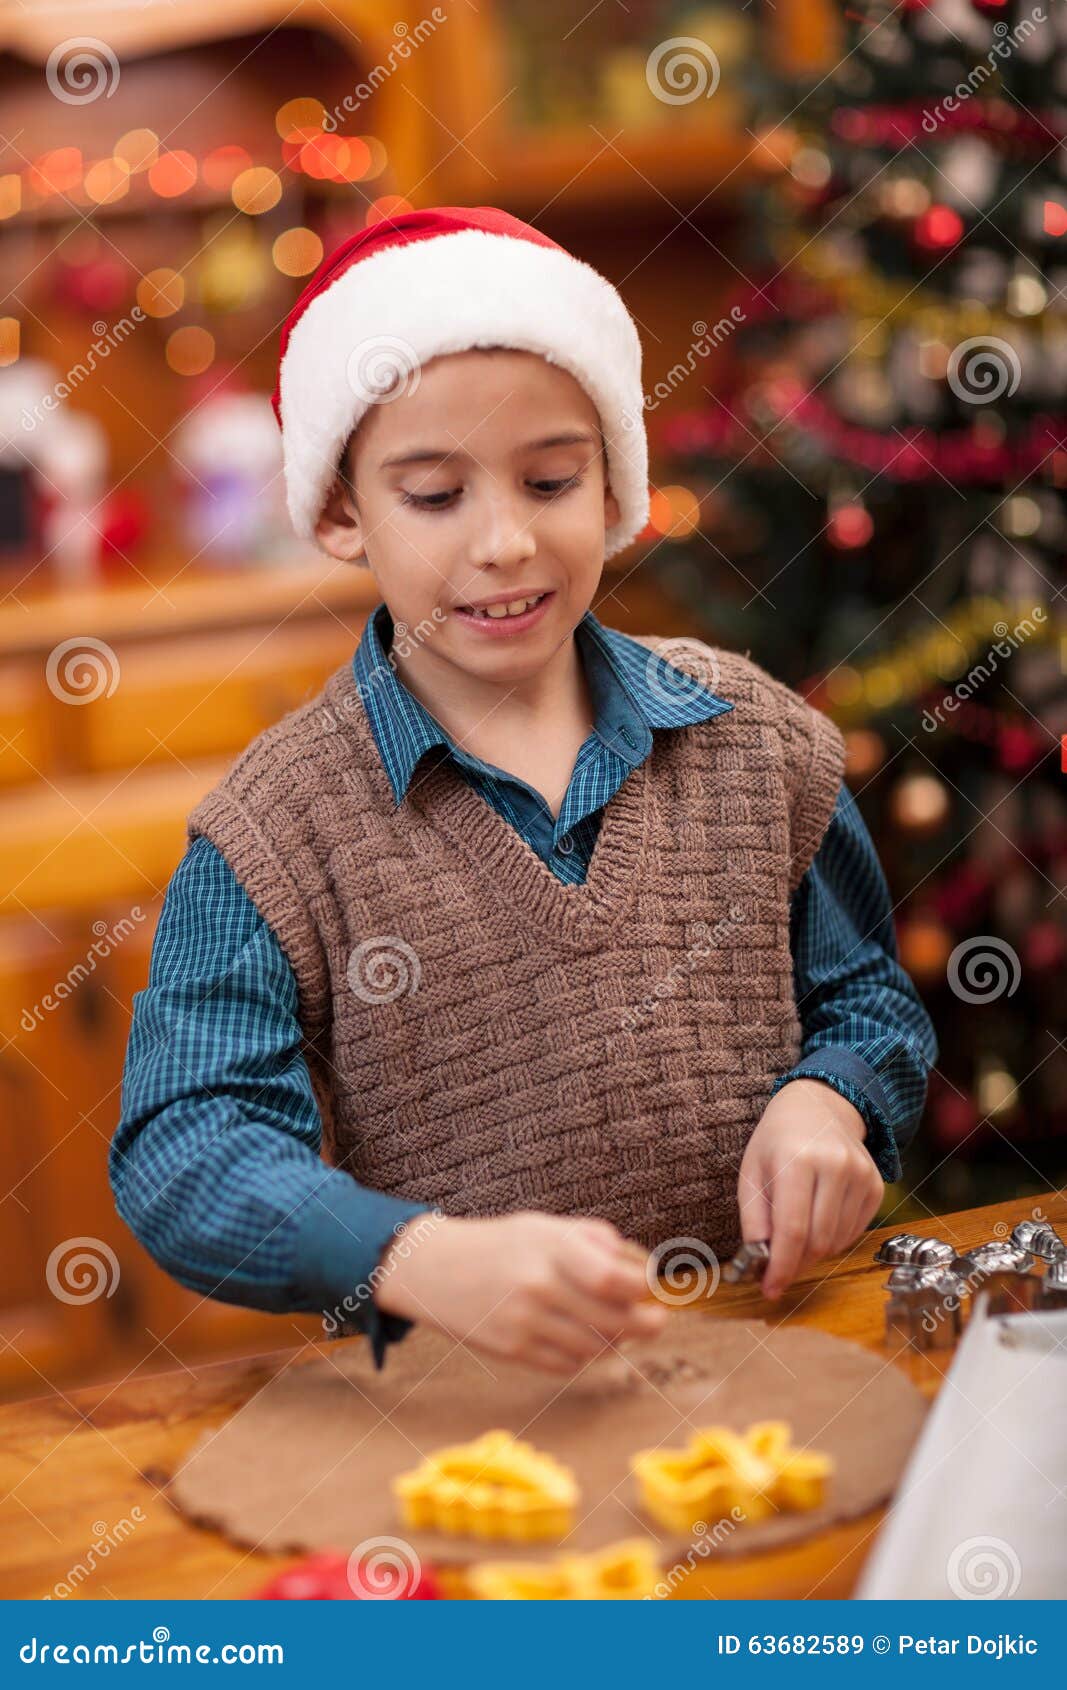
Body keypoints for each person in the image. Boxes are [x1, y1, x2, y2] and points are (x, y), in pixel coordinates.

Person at [111, 206, 937, 1375]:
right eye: (434, 497)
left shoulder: (758, 741)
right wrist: (411, 1257)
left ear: (611, 486)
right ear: (342, 513)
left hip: (771, 1374)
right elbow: (186, 1146)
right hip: (474, 1447)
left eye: (549, 479)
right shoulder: (275, 831)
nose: (503, 542)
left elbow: (867, 1008)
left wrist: (833, 1098)